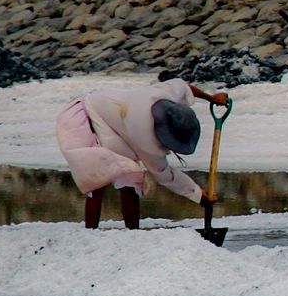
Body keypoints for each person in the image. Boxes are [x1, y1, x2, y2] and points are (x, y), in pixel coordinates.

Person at [55, 76, 228, 229]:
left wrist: (211, 98)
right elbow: (165, 176)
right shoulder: (147, 141)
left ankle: (133, 232)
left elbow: (183, 86)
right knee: (97, 175)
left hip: (117, 121)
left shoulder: (165, 95)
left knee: (131, 178)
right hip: (87, 114)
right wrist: (198, 194)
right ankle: (91, 232)